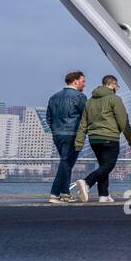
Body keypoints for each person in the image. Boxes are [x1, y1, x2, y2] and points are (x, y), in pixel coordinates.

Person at [71, 75, 131, 203]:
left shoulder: (90, 101)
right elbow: (123, 120)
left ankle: (104, 195)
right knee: (108, 165)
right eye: (117, 86)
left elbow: (83, 123)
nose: (117, 88)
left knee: (103, 166)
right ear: (113, 85)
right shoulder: (115, 99)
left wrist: (79, 142)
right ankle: (87, 182)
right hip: (109, 137)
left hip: (94, 139)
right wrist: (130, 139)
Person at [45, 70, 87, 203]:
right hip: (72, 134)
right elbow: (86, 117)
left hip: (57, 135)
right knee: (66, 163)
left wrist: (55, 130)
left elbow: (48, 118)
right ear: (75, 81)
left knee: (66, 164)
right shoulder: (80, 97)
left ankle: (65, 193)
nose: (84, 84)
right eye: (82, 81)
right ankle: (54, 193)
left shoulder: (54, 97)